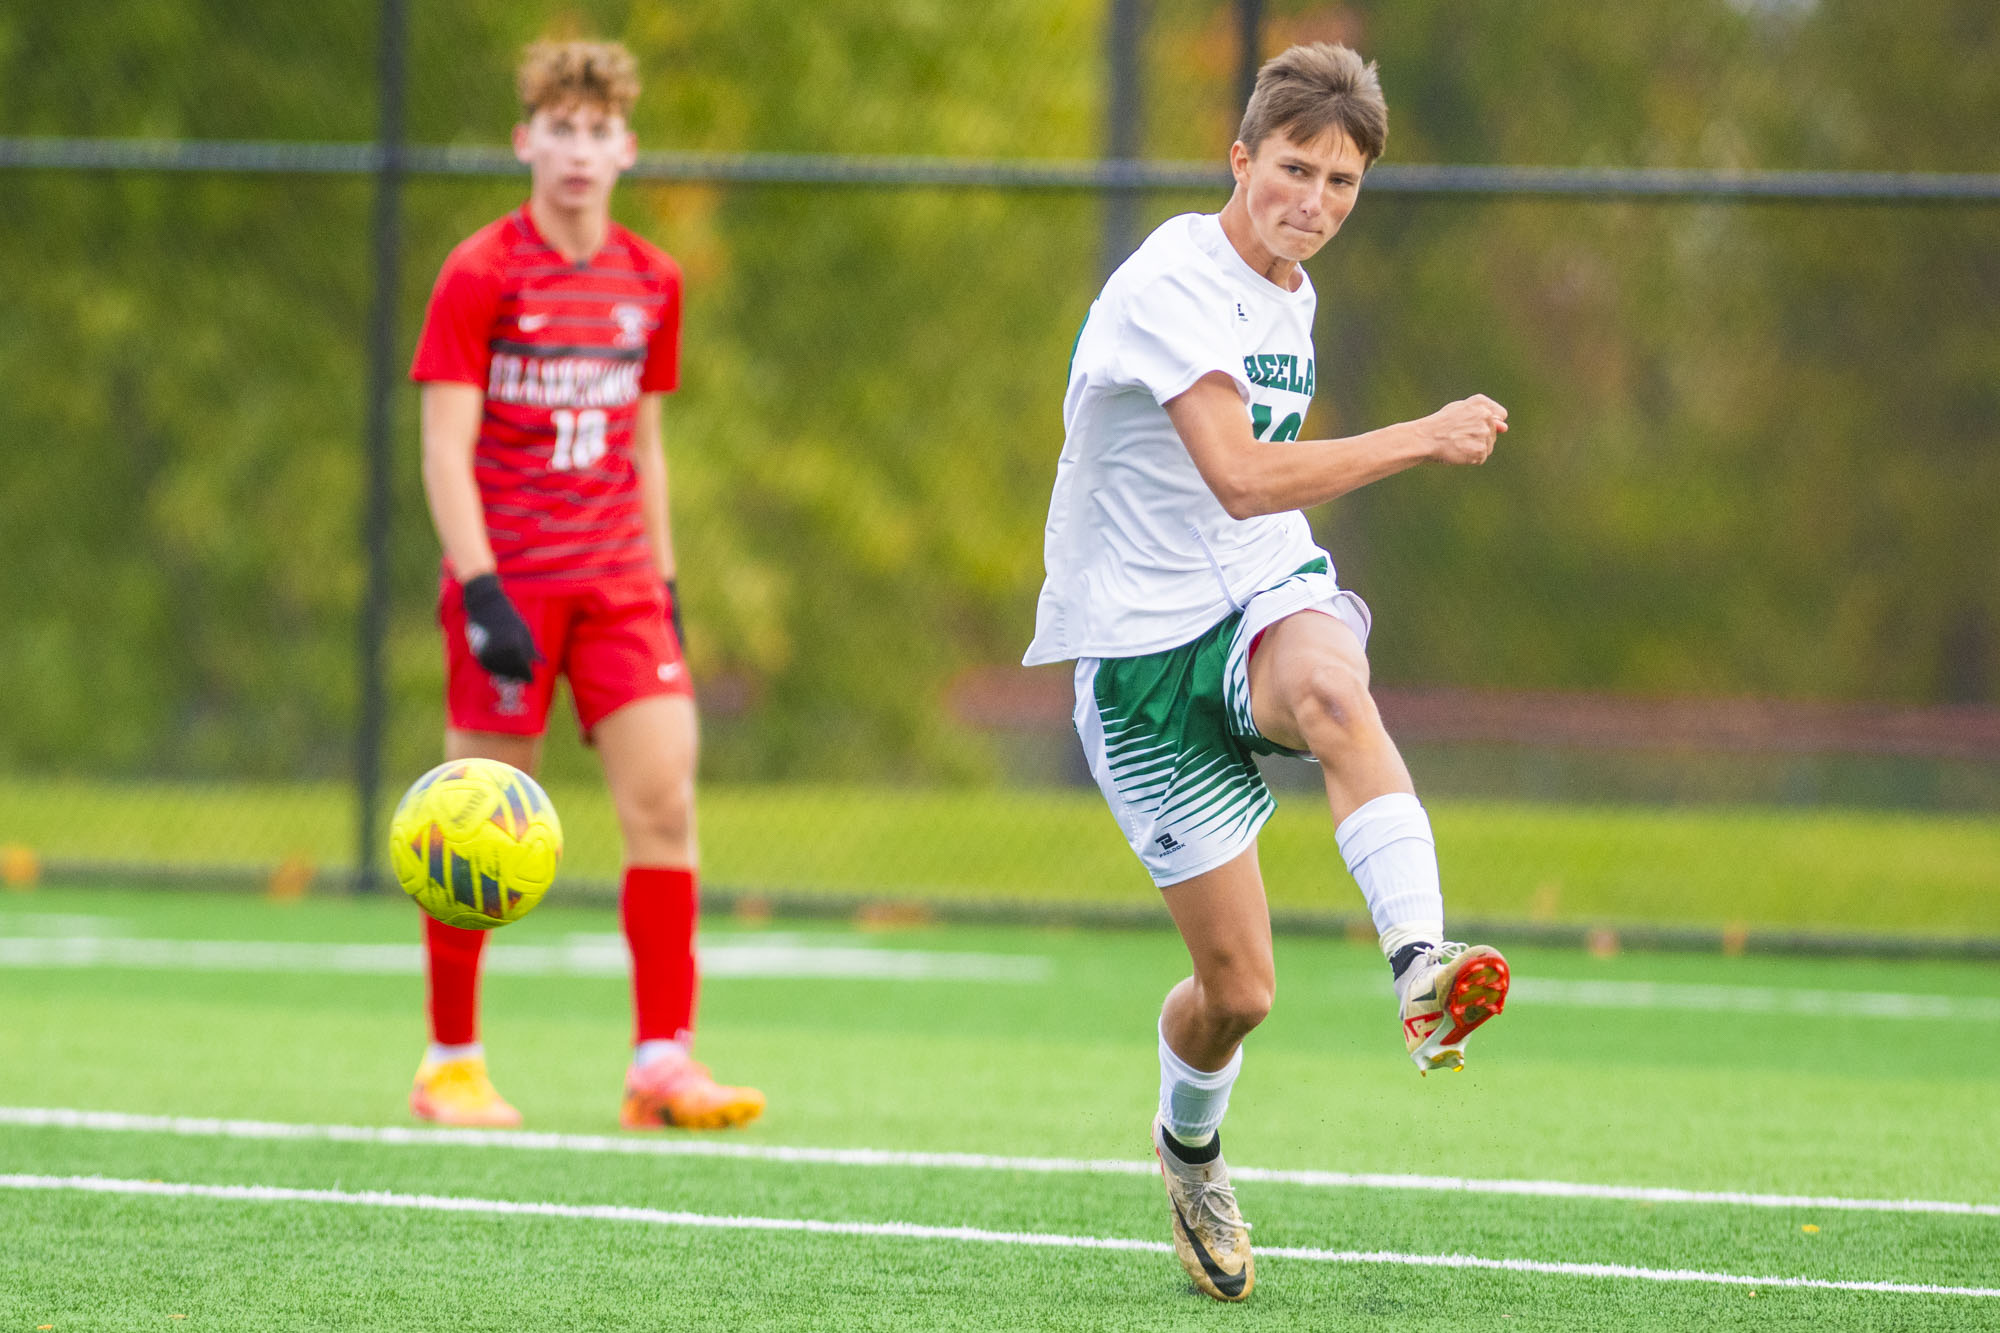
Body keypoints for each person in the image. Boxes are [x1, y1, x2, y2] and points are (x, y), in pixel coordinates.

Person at [1024, 43, 1510, 1300]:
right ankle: (1187, 1143)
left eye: (1342, 182)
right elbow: (1236, 471)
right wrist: (1421, 434)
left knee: (1333, 691)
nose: (1314, 200)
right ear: (1239, 159)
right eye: (1293, 169)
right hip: (1138, 659)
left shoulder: (1290, 288)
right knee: (1236, 992)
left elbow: (1249, 515)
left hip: (1254, 593)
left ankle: (1420, 967)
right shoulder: (1170, 280)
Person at [405, 38, 762, 1132]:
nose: (576, 151)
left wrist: (664, 582)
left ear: (625, 148)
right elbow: (443, 447)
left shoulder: (651, 280)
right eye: (557, 129)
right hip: (507, 588)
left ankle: (661, 1065)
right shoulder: (478, 272)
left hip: (619, 588)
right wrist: (479, 589)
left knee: (664, 805)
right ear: (525, 141)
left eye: (596, 132)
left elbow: (643, 446)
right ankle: (451, 1062)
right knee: (474, 822)